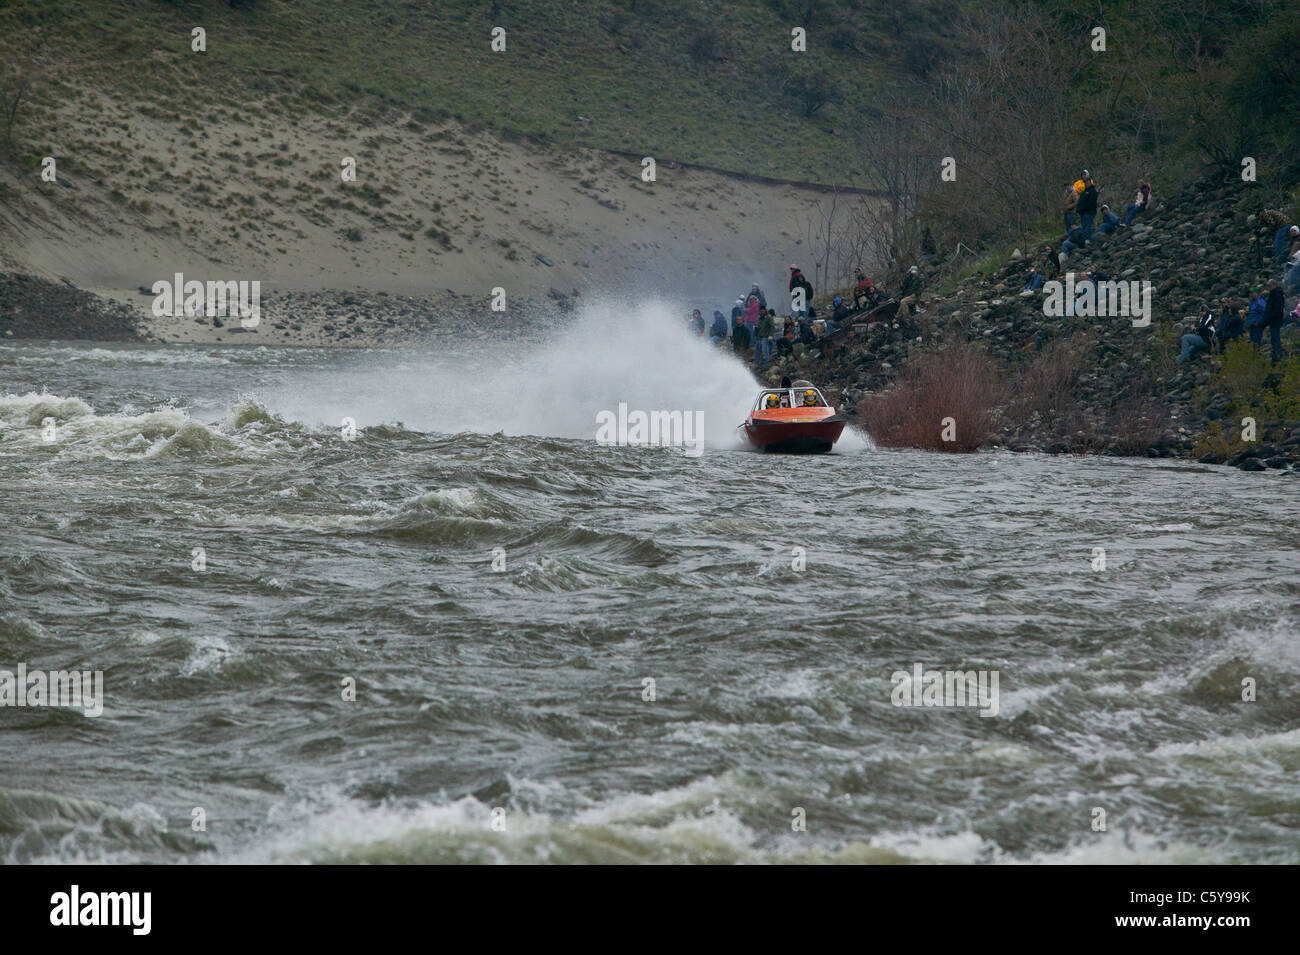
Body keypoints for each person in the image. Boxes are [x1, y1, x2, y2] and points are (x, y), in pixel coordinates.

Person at [1264, 278, 1285, 361]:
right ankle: (1276, 354)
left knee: (1275, 338)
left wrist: (1270, 316)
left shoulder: (1277, 295)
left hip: (1275, 320)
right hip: (1273, 320)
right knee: (1274, 337)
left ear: (1274, 285)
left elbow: (1277, 309)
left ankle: (1277, 355)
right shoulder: (1273, 294)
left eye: (1269, 285)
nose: (1268, 287)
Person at [1076, 176, 1099, 242]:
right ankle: (1086, 240)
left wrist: (1082, 208)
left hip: (1089, 212)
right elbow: (1080, 201)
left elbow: (1090, 202)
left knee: (1088, 227)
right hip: (1083, 213)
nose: (1086, 184)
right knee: (1084, 227)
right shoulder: (1084, 191)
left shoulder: (1092, 191)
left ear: (1090, 182)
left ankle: (1088, 240)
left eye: (1087, 182)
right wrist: (1079, 209)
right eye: (1085, 182)